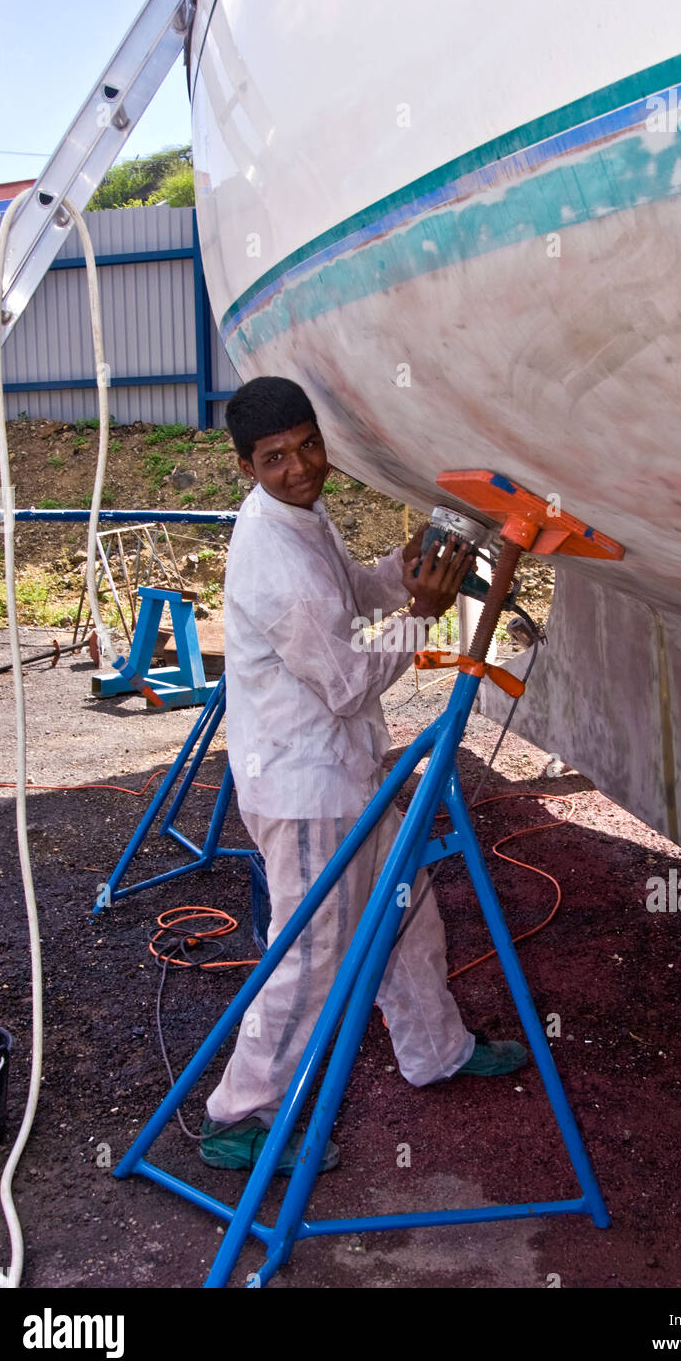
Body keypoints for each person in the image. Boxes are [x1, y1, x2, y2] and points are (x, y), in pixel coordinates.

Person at [201, 376, 526, 1172]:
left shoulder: (299, 516)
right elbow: (347, 681)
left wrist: (403, 567)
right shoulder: (274, 557)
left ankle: (435, 1050)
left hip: (344, 769)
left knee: (407, 911)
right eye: (275, 458)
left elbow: (348, 596)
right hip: (305, 787)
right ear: (247, 466)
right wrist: (422, 615)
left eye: (309, 445)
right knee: (312, 954)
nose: (301, 466)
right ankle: (238, 1118)